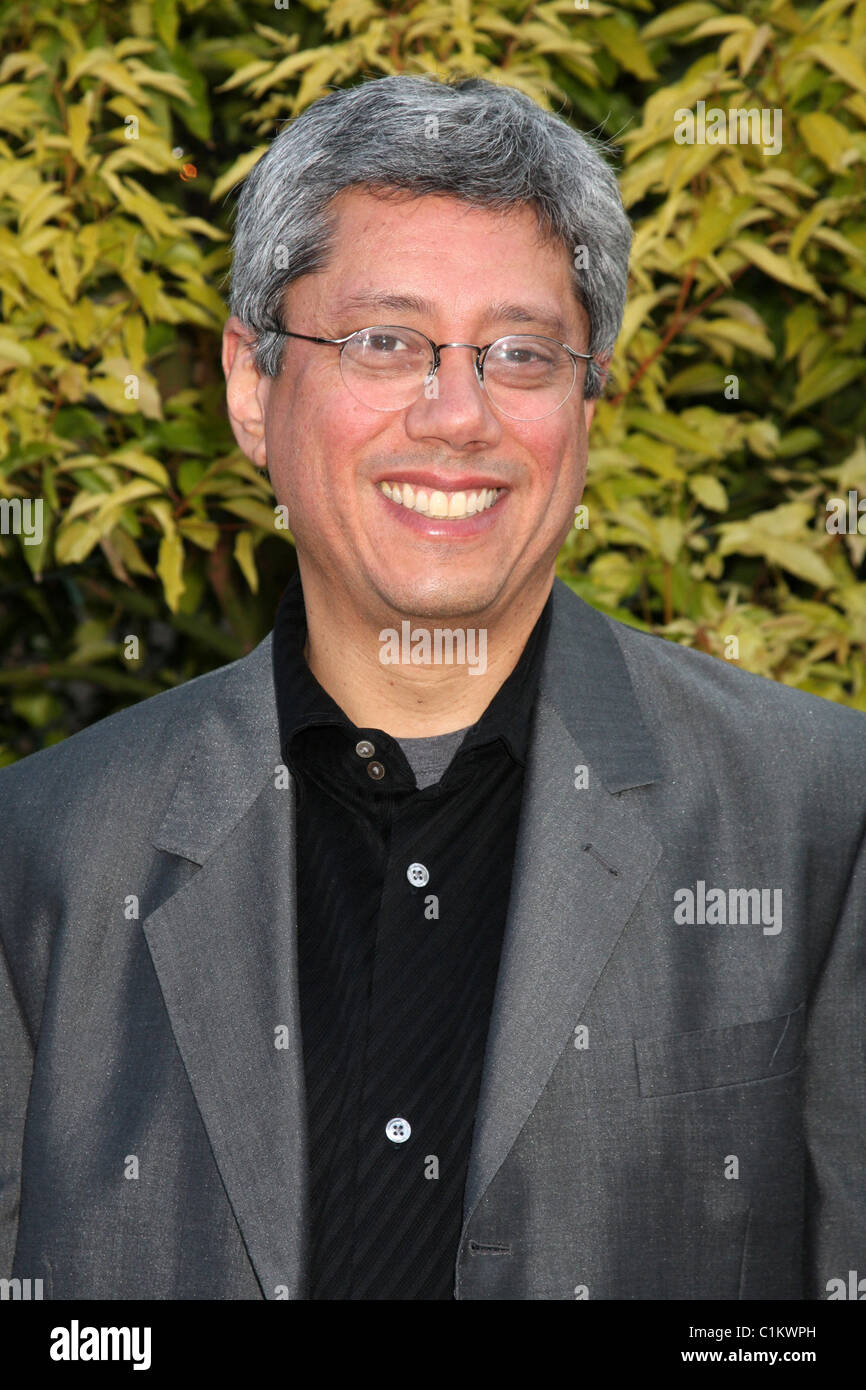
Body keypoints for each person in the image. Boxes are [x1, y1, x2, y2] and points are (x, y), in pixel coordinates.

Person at [1, 74, 863, 1302]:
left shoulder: (821, 820)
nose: (455, 414)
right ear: (252, 387)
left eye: (518, 352)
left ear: (584, 400)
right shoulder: (43, 856)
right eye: (384, 341)